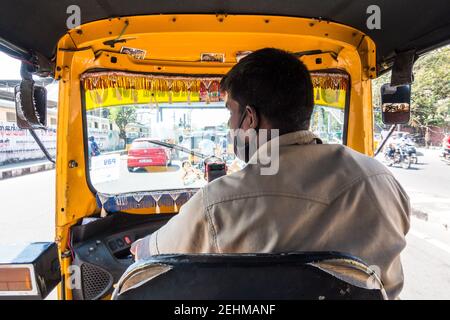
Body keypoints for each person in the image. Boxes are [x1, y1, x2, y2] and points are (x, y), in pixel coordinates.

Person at [131, 48, 410, 299]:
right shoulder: (382, 181)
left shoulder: (217, 204)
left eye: (231, 113)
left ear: (249, 119)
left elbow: (151, 261)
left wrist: (139, 245)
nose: (229, 127)